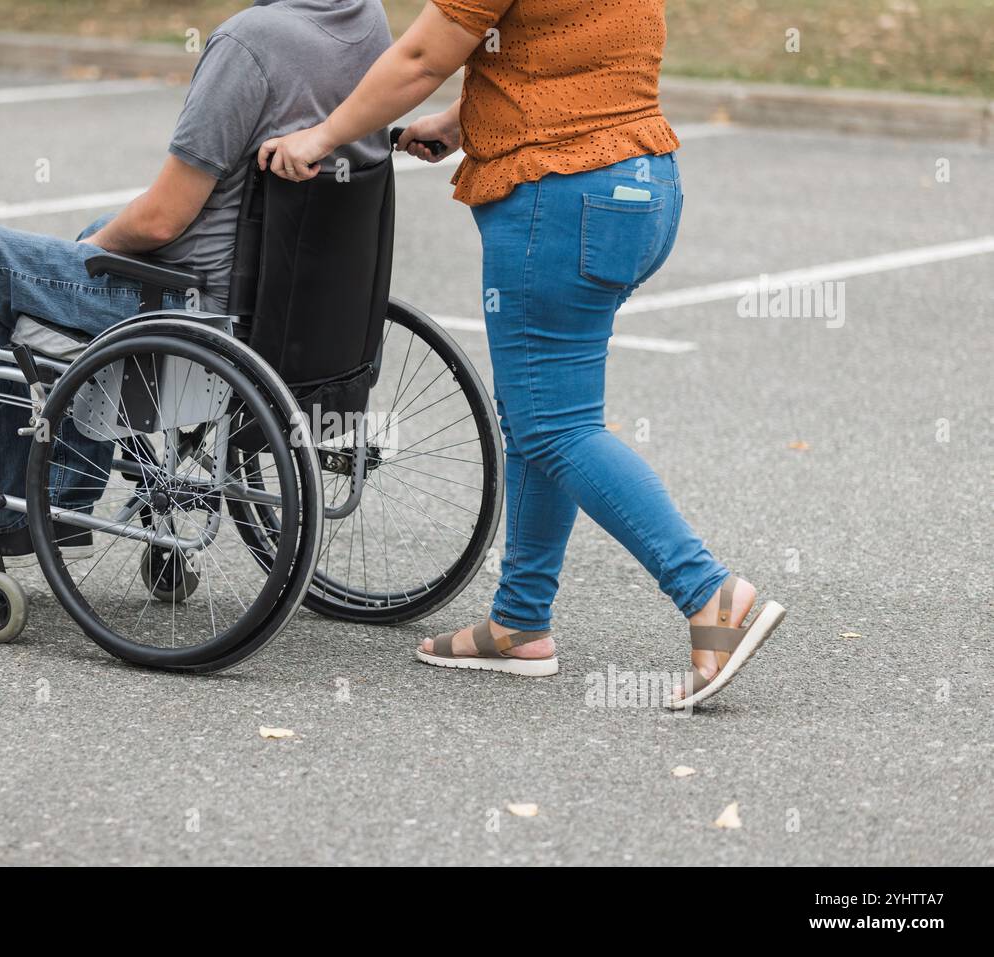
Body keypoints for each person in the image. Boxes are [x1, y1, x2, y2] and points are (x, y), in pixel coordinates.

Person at [259, 0, 785, 708]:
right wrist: (464, 120)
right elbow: (572, 47)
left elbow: (420, 57)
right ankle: (519, 622)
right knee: (537, 417)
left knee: (555, 428)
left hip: (559, 198)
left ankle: (709, 593)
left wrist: (322, 136)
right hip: (641, 184)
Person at [0, 0, 392, 567]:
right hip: (297, 305)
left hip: (199, 303)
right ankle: (64, 493)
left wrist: (91, 255)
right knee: (94, 233)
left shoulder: (248, 45)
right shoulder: (365, 18)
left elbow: (161, 220)